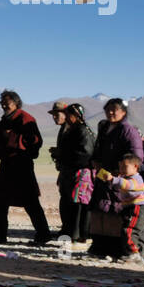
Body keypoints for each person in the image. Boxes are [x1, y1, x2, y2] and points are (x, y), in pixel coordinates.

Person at [0, 89, 53, 245]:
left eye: (7, 102)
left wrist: (15, 140)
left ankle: (43, 234)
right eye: (2, 102)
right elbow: (4, 143)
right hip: (6, 166)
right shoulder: (3, 121)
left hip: (21, 166)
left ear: (16, 103)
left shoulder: (25, 119)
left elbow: (36, 141)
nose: (4, 105)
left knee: (30, 201)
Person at [49, 102, 95, 244]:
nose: (67, 118)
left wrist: (61, 154)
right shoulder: (72, 129)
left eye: (69, 115)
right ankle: (70, 232)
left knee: (79, 204)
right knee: (70, 202)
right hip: (71, 171)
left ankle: (80, 235)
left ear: (76, 116)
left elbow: (85, 154)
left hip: (80, 173)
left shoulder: (82, 130)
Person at [90, 153, 144, 262]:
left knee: (129, 231)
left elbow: (128, 185)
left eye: (124, 167)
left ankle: (133, 253)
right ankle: (139, 253)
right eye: (120, 167)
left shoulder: (136, 179)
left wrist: (113, 179)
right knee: (136, 231)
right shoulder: (126, 177)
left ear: (135, 166)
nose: (121, 169)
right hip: (131, 208)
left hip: (137, 208)